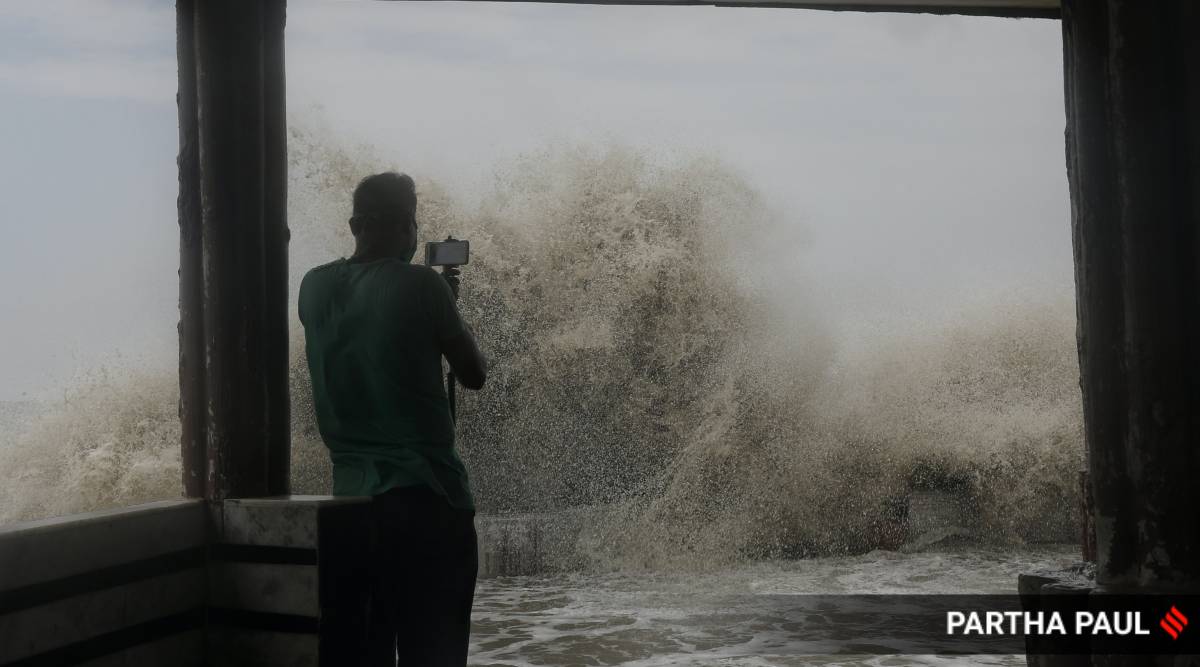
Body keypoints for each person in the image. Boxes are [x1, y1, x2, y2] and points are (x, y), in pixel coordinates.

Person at [297, 171, 487, 667]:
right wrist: (450, 309)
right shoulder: (424, 285)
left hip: (349, 510)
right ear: (406, 224)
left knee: (365, 655)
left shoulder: (313, 287)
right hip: (426, 504)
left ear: (354, 225)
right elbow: (473, 374)